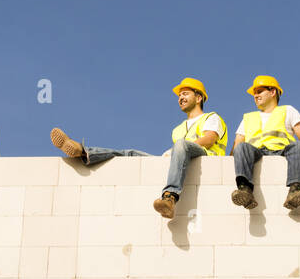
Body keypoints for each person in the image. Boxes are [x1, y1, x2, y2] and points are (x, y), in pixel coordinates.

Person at [49, 77, 227, 219]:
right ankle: (84, 151)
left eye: (185, 93)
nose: (180, 98)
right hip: (179, 159)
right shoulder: (178, 128)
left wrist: (177, 149)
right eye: (179, 95)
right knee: (131, 153)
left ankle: (170, 197)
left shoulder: (212, 117)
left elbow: (209, 139)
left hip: (203, 157)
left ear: (199, 97)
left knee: (180, 145)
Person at [231, 75, 300, 211]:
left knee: (299, 146)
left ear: (272, 92)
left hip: (282, 150)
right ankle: (245, 189)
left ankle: (296, 190)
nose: (255, 95)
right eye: (254, 93)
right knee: (242, 147)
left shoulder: (288, 110)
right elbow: (237, 145)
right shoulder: (248, 117)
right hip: (256, 152)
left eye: (259, 91)